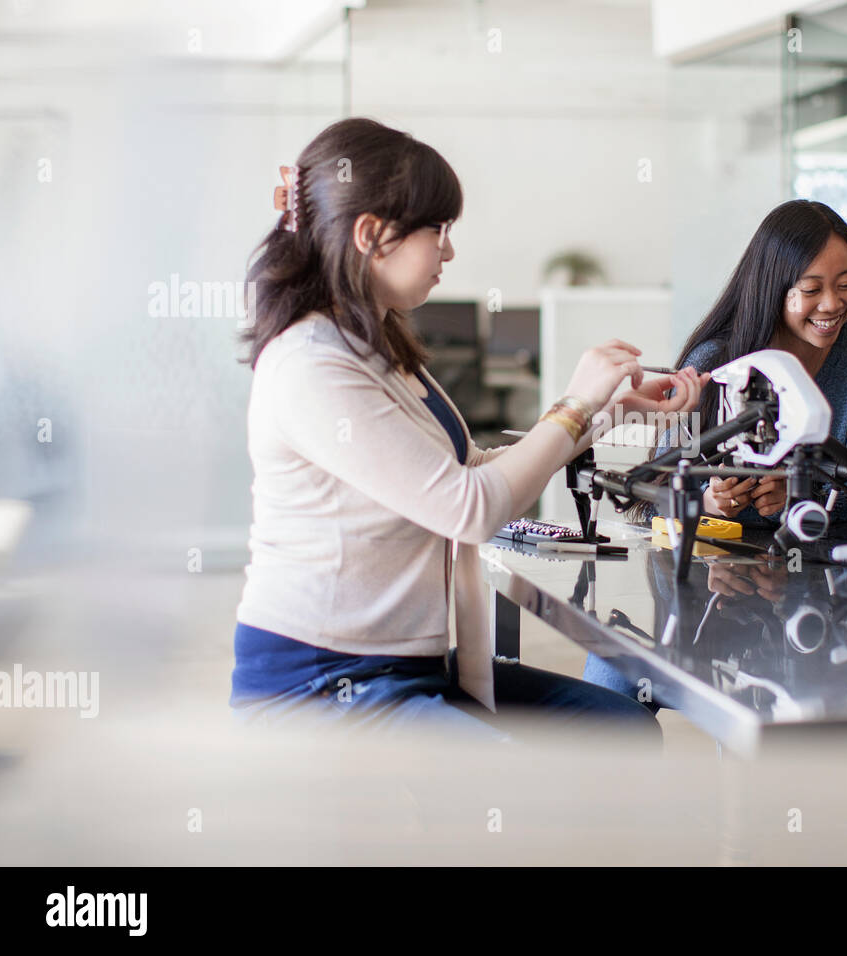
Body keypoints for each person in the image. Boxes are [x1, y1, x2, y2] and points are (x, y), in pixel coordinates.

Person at [229, 117, 707, 744]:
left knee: (619, 729)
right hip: (322, 678)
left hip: (406, 666)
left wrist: (613, 412)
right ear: (372, 234)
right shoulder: (311, 365)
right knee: (504, 785)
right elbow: (468, 508)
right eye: (439, 231)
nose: (449, 252)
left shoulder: (375, 345)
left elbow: (473, 470)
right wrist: (575, 399)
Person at [584, 198, 847, 703]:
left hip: (820, 590)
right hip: (715, 598)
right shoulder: (716, 362)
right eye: (812, 289)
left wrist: (805, 501)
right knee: (617, 664)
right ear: (776, 289)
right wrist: (707, 504)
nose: (833, 304)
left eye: (846, 284)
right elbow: (650, 499)